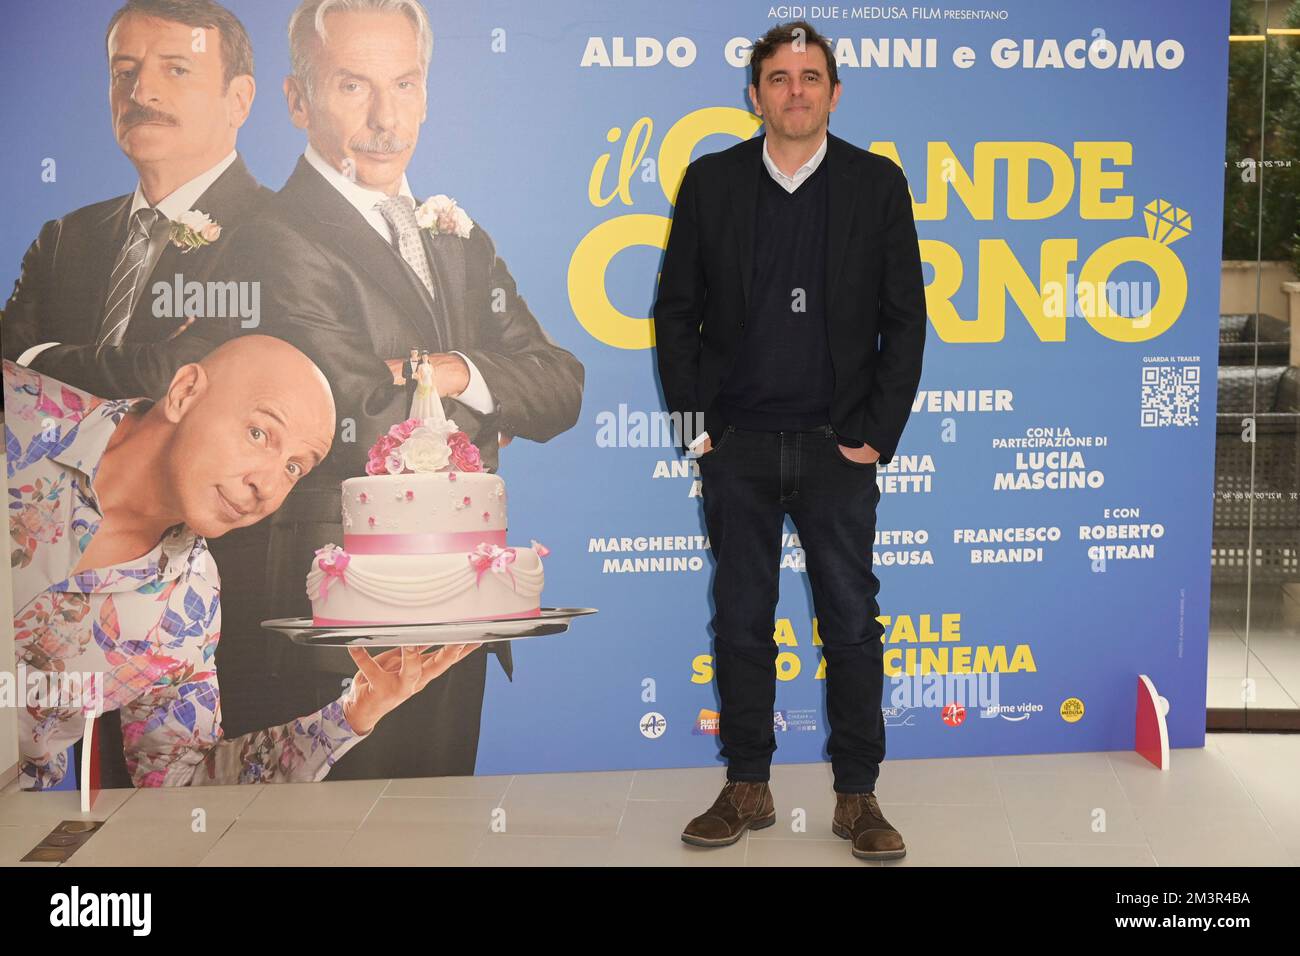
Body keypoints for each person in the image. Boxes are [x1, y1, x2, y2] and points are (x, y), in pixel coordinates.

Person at [215, 0, 585, 780]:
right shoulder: (271, 239)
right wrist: (485, 399)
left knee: (437, 829)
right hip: (325, 634)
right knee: (321, 837)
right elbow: (354, 420)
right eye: (353, 86)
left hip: (459, 619)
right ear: (297, 100)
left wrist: (444, 373)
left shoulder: (456, 235)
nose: (386, 119)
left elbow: (560, 387)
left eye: (405, 84)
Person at [652, 21, 927, 860]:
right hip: (736, 447)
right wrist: (696, 433)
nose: (795, 91)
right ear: (756, 95)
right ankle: (747, 786)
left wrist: (876, 435)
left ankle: (857, 795)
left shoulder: (876, 184)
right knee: (741, 622)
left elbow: (905, 320)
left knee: (851, 625)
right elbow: (675, 314)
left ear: (834, 94)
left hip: (835, 449)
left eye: (810, 77)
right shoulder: (712, 181)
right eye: (779, 78)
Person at [5, 336, 481, 788]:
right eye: (258, 433)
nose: (267, 486)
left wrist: (353, 713)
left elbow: (182, 783)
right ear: (184, 393)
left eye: (294, 467)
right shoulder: (19, 411)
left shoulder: (189, 606)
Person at [0, 0, 270, 401]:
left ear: (239, 100)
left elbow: (177, 379)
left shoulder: (280, 232)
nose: (141, 92)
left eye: (176, 70)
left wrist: (32, 361)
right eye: (124, 72)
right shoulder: (64, 238)